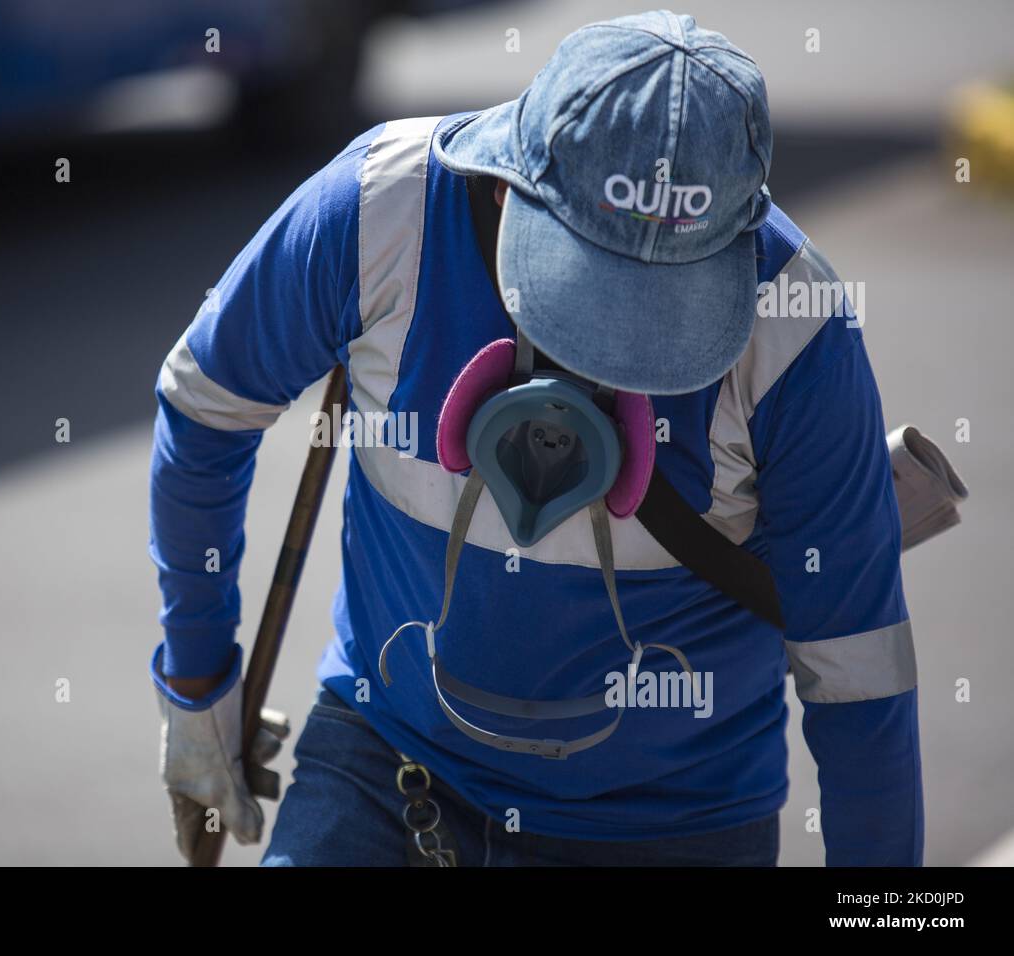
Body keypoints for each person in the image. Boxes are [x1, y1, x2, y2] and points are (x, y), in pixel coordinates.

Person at [149, 10, 921, 866]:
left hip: (674, 822)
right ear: (515, 182)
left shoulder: (796, 328)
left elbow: (859, 671)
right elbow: (206, 405)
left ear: (740, 234)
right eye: (593, 295)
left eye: (661, 312)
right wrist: (195, 686)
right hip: (389, 770)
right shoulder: (379, 210)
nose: (617, 352)